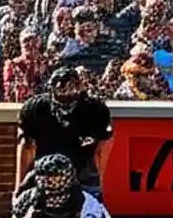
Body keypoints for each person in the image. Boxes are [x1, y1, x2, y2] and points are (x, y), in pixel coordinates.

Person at [15, 66, 113, 200]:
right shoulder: (36, 108)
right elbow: (25, 145)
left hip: (81, 170)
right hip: (44, 169)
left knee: (93, 212)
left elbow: (105, 143)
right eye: (61, 90)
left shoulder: (94, 109)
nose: (66, 96)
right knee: (23, 211)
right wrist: (19, 186)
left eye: (70, 90)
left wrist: (99, 177)